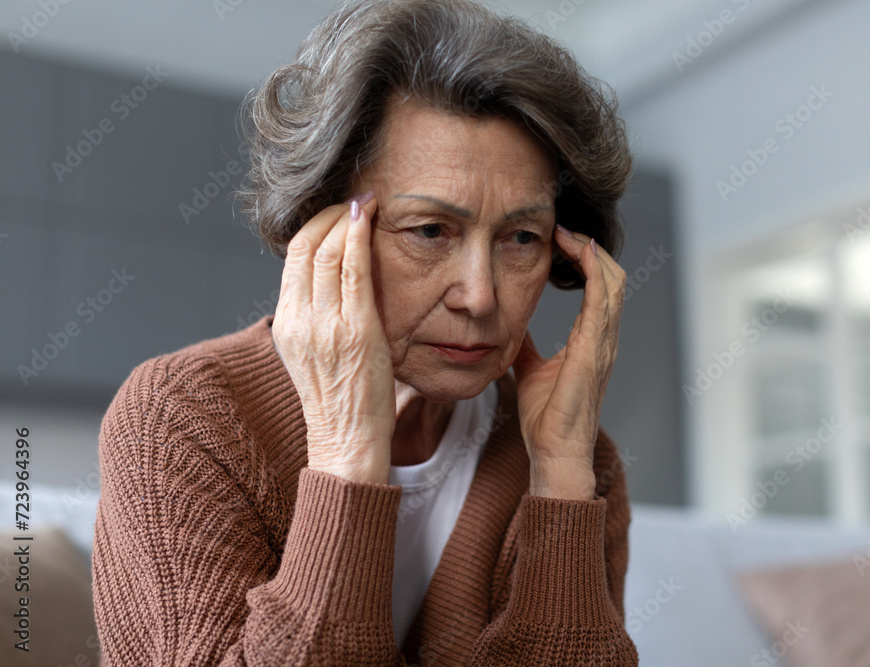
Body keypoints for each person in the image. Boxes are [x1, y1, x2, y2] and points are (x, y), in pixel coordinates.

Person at [91, 0, 637, 664]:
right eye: (431, 231)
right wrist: (347, 459)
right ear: (322, 230)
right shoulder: (181, 417)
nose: (480, 295)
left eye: (520, 238)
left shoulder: (582, 463)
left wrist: (559, 480)